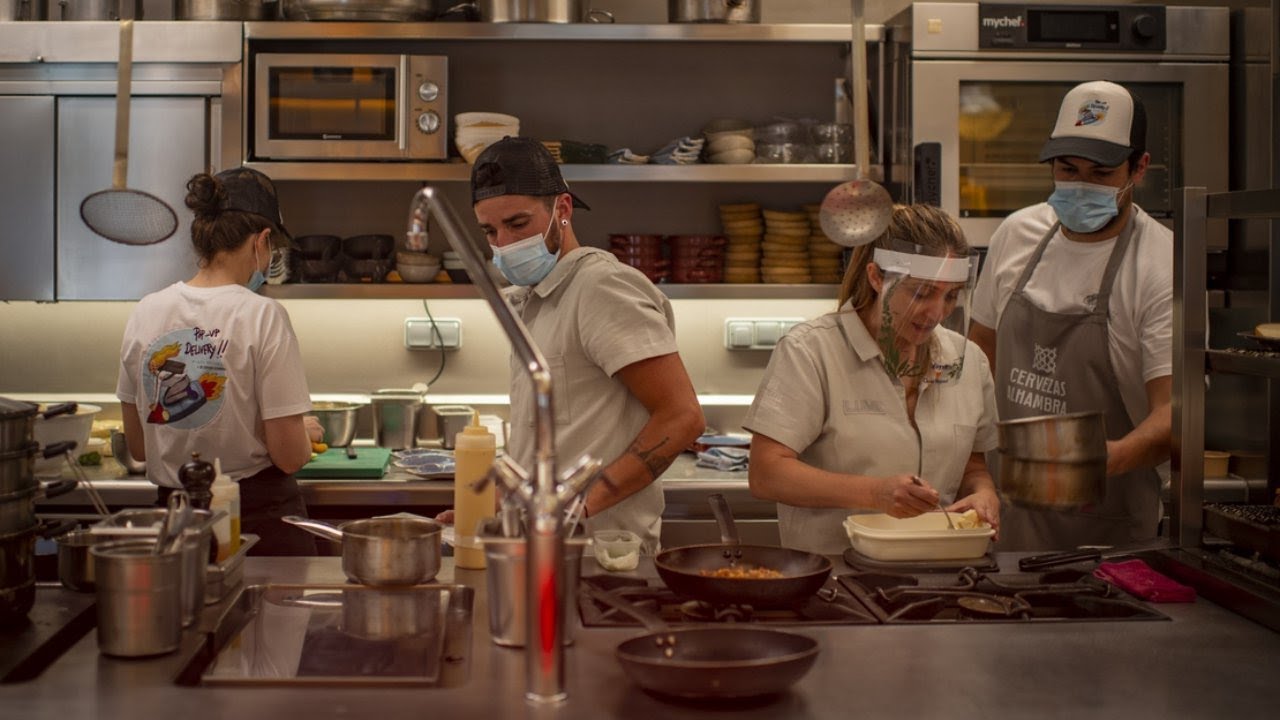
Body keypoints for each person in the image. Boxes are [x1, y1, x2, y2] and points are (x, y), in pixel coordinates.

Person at [468, 136, 704, 550]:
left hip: (601, 555)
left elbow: (682, 418)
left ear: (562, 208)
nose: (504, 244)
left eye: (518, 224)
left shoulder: (601, 287)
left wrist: (577, 509)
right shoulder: (536, 300)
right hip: (543, 548)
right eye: (491, 230)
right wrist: (500, 508)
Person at [968, 80, 1173, 551]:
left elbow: (1175, 414)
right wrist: (972, 472)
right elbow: (978, 360)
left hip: (1106, 526)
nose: (1080, 186)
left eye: (1101, 174)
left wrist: (1107, 458)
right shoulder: (1016, 234)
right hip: (1001, 512)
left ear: (1138, 168)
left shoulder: (1161, 265)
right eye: (1067, 169)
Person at [745, 204, 1001, 555]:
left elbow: (973, 465)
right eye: (921, 293)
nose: (937, 312)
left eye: (951, 296)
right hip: (836, 578)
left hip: (942, 570)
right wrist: (874, 493)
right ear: (877, 277)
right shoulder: (811, 351)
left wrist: (983, 494)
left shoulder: (968, 361)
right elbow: (765, 473)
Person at [116, 167, 324, 556]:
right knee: (274, 618)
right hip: (258, 526)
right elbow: (290, 456)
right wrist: (302, 434)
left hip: (176, 525)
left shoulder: (145, 312)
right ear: (261, 242)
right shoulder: (263, 315)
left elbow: (140, 446)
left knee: (189, 614)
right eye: (272, 249)